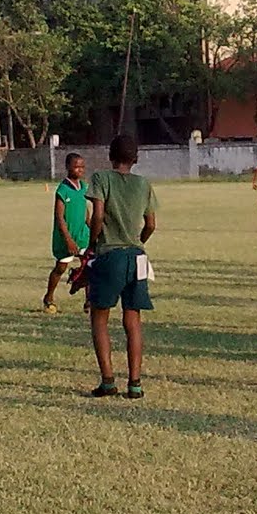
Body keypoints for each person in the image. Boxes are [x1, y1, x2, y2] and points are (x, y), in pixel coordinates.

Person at [85, 134, 157, 398]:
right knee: (133, 319)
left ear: (110, 156)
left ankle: (108, 381)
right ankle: (135, 384)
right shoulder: (143, 184)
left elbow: (98, 216)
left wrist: (92, 244)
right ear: (136, 158)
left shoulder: (101, 179)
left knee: (99, 317)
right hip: (137, 256)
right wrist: (137, 242)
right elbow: (151, 224)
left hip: (110, 254)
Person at [44, 153, 90, 314]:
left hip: (83, 235)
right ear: (68, 167)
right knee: (60, 268)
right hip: (67, 238)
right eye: (76, 167)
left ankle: (89, 301)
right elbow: (59, 217)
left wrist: (91, 227)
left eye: (82, 167)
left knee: (89, 266)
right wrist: (68, 240)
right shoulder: (63, 190)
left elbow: (85, 210)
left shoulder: (83, 187)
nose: (80, 170)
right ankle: (49, 297)